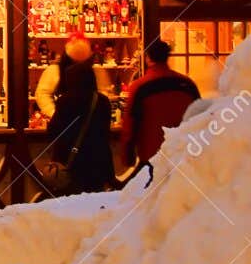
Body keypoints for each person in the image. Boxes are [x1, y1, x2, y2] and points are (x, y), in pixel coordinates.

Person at [120, 39, 201, 175]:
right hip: (183, 154)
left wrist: (128, 156)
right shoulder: (187, 84)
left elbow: (130, 123)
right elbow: (200, 117)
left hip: (152, 155)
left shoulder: (140, 87)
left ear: (148, 58)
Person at [48, 59, 114, 195]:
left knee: (71, 205)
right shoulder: (102, 101)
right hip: (97, 162)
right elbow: (105, 132)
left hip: (70, 163)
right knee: (94, 205)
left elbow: (53, 131)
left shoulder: (65, 101)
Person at [35, 33, 113, 120]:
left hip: (84, 120)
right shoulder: (54, 70)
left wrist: (56, 114)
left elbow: (104, 92)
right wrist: (54, 113)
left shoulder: (97, 70)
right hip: (83, 120)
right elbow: (43, 94)